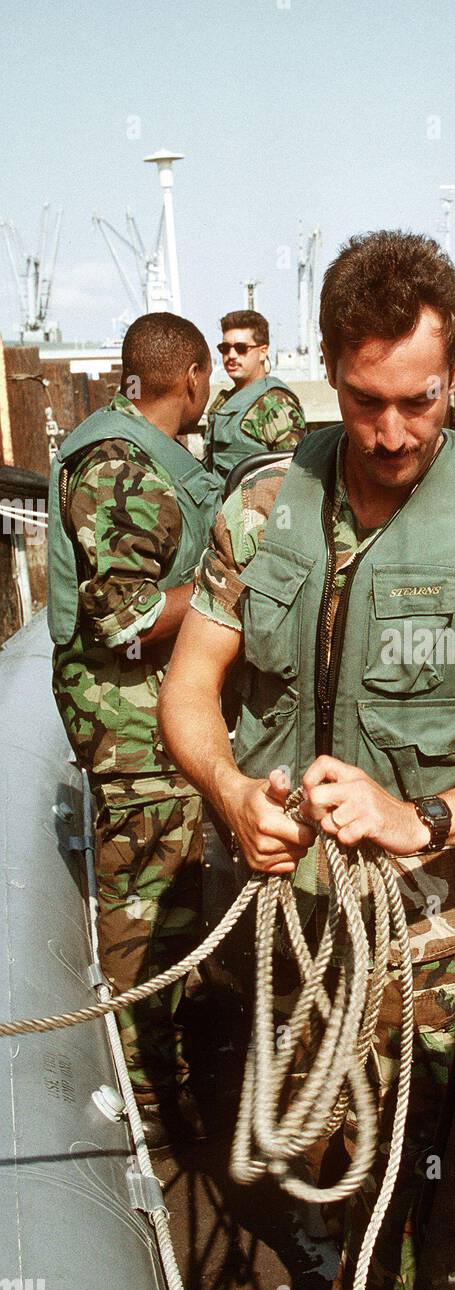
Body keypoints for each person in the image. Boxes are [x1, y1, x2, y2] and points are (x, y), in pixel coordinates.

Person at [158, 230, 455, 1290]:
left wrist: (423, 819)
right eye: (366, 402)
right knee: (304, 1173)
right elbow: (187, 688)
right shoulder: (261, 506)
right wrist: (228, 790)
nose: (394, 431)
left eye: (420, 400)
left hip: (424, 955)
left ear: (452, 375)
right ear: (330, 372)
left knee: (421, 1202)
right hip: (281, 927)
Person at [47, 312, 220, 1146]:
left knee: (173, 898)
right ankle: (145, 1095)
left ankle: (165, 1066)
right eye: (208, 375)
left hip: (155, 723)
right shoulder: (118, 470)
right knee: (144, 906)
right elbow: (127, 618)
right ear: (189, 374)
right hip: (135, 730)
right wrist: (233, 597)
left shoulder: (133, 456)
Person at [203, 309, 306, 485]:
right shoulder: (225, 401)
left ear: (263, 351)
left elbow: (295, 477)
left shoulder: (276, 404)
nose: (231, 355)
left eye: (241, 348)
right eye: (225, 348)